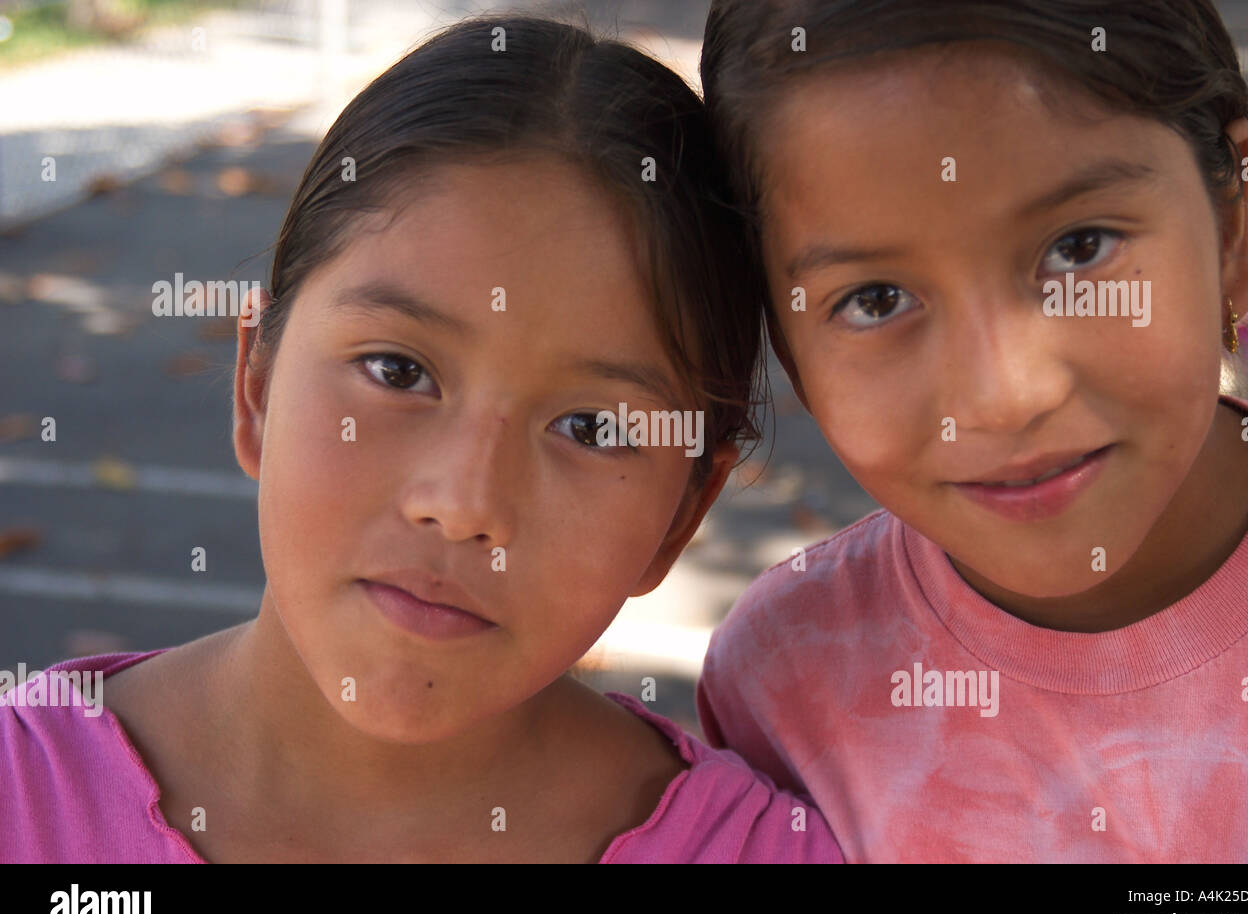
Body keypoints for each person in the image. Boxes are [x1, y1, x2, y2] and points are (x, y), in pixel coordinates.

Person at [0, 14, 841, 864]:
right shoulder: (22, 800)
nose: (463, 503)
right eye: (398, 373)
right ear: (256, 385)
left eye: (591, 428)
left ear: (683, 515)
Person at [696, 0, 1248, 862]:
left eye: (1081, 246)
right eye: (875, 301)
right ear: (786, 345)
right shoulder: (786, 680)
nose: (1004, 397)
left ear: (1230, 223)